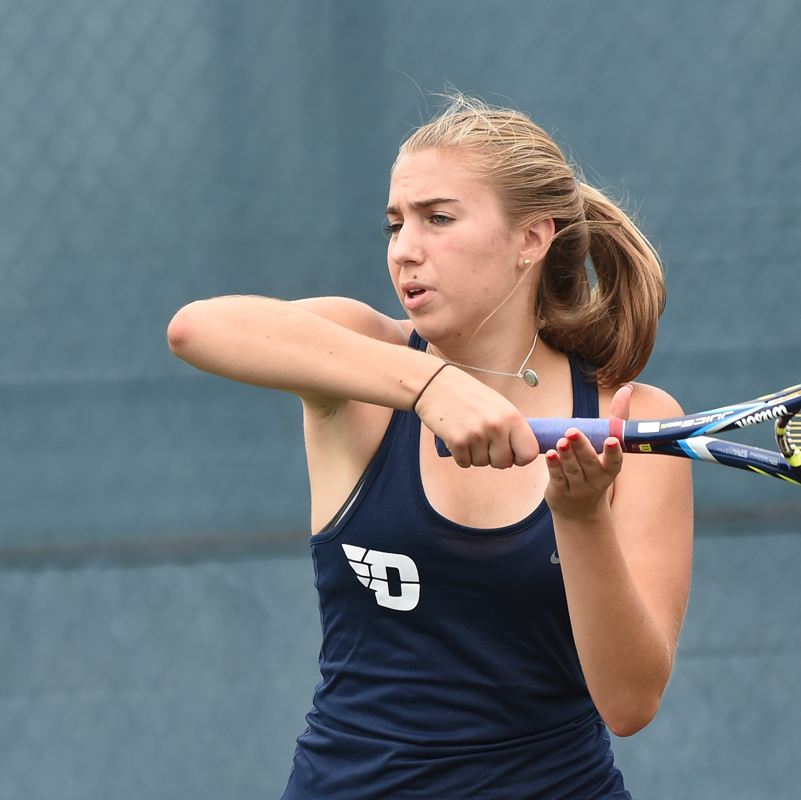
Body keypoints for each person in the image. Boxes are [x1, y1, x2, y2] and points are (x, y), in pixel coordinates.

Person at [167, 95, 692, 799]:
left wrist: (581, 515)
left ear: (532, 239)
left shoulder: (637, 420)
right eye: (395, 224)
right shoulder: (358, 365)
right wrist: (430, 385)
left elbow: (629, 705)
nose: (404, 248)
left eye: (438, 218)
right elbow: (196, 330)